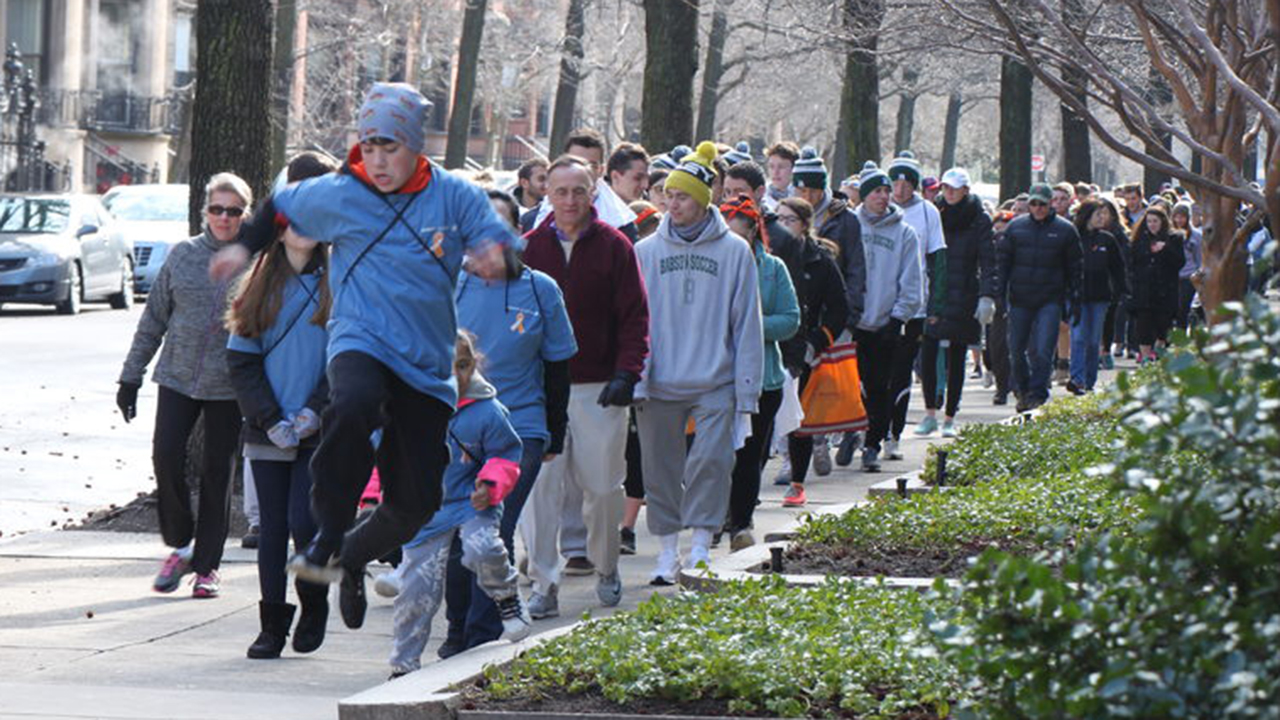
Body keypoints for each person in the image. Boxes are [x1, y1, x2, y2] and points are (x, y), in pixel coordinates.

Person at [208, 82, 516, 631]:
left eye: (389, 148)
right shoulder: (340, 192)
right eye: (368, 146)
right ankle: (327, 533)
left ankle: (342, 559)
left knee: (415, 504)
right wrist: (241, 246)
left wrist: (498, 257)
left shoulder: (454, 195)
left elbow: (500, 240)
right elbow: (279, 205)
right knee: (350, 403)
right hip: (360, 338)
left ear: (415, 145)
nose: (376, 160)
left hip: (425, 364)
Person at [520, 155, 649, 618]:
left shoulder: (616, 247)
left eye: (579, 191)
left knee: (602, 488)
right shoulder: (528, 249)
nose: (570, 200)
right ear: (546, 195)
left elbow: (635, 317)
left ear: (592, 194)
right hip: (540, 392)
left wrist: (627, 373)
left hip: (599, 389)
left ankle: (607, 567)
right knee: (541, 492)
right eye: (561, 191)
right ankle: (543, 582)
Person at [118, 171, 254, 599]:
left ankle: (208, 568)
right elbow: (154, 318)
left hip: (228, 385)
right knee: (166, 455)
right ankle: (181, 544)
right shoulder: (183, 255)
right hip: (176, 375)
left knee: (217, 473)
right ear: (205, 211)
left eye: (233, 211)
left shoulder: (258, 259)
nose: (224, 217)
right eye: (217, 209)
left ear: (245, 214)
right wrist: (131, 375)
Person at [633, 142, 763, 583]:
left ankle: (702, 546)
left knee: (711, 463)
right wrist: (636, 376)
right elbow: (636, 319)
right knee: (660, 469)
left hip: (715, 380)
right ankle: (667, 552)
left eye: (682, 196)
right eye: (668, 194)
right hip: (661, 380)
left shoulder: (735, 253)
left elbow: (747, 323)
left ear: (704, 200)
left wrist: (747, 390)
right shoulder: (646, 251)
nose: (672, 203)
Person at [441, 234, 576, 655]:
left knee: (492, 525)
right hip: (461, 428)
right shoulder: (449, 285)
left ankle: (478, 636)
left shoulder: (540, 288)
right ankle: (458, 627)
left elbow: (558, 366)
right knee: (459, 533)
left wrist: (554, 428)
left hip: (522, 428)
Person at [225, 153, 338, 658]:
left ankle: (313, 604)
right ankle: (271, 623)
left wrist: (316, 410)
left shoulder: (340, 283)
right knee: (270, 529)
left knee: (304, 522)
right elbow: (241, 362)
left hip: (319, 428)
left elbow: (346, 358)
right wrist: (269, 419)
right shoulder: (257, 284)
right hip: (268, 428)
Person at [389, 331, 531, 679]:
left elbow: (506, 454)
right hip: (427, 507)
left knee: (481, 548)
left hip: (473, 501)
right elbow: (385, 453)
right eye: (444, 369)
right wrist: (373, 496)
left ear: (474, 365)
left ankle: (506, 594)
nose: (456, 376)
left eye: (464, 366)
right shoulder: (406, 407)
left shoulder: (487, 410)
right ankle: (403, 665)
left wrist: (491, 483)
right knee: (415, 590)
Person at [721, 196, 799, 547]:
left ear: (753, 232)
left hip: (764, 377)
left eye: (738, 235)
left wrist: (751, 325)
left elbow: (790, 319)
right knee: (716, 452)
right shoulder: (715, 264)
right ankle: (714, 514)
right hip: (717, 374)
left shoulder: (773, 269)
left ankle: (741, 521)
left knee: (751, 453)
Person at [789, 148, 867, 471]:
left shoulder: (845, 220)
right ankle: (812, 442)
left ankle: (844, 430)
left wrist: (852, 312)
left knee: (834, 382)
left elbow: (856, 267)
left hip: (835, 309)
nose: (806, 194)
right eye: (801, 189)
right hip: (804, 310)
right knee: (805, 383)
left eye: (812, 189)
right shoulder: (788, 215)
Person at [775, 197, 848, 504]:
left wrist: (816, 342)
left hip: (801, 351)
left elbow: (840, 309)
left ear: (805, 225)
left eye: (789, 219)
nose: (781, 225)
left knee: (797, 418)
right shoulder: (767, 255)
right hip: (768, 346)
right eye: (777, 219)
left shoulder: (820, 261)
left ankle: (797, 481)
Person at [914, 167, 996, 438]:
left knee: (957, 354)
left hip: (964, 291)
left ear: (965, 190)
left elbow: (987, 259)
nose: (948, 193)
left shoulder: (979, 219)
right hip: (934, 289)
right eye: (945, 187)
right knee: (928, 350)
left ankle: (950, 416)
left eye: (954, 188)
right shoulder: (932, 213)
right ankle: (929, 413)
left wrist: (987, 295)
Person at [851, 162, 923, 471]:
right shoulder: (850, 226)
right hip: (854, 321)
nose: (883, 196)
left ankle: (872, 442)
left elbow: (912, 280)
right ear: (864, 196)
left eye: (886, 190)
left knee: (880, 386)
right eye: (876, 191)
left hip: (885, 323)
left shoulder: (905, 233)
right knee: (852, 385)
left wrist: (898, 318)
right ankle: (850, 431)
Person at [996, 183, 1083, 412]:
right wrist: (999, 295)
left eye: (1042, 204)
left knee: (1044, 350)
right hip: (1019, 298)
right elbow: (1003, 263)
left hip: (1049, 299)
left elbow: (1075, 268)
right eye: (1033, 204)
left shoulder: (1065, 230)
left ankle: (1038, 392)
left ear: (1050, 204)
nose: (1037, 208)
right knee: (1015, 349)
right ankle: (1023, 390)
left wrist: (1073, 300)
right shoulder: (1015, 228)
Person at [885, 151, 945, 459]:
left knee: (902, 370)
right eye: (895, 182)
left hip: (915, 306)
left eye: (907, 183)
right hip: (880, 304)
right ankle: (870, 429)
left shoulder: (927, 213)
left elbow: (937, 258)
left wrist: (935, 303)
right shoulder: (877, 211)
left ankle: (893, 433)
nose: (901, 189)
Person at [524, 128, 639, 241]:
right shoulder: (531, 220)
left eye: (591, 165)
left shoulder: (622, 225)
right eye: (575, 163)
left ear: (601, 170)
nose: (582, 171)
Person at [1068, 198, 1127, 393]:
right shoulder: (1073, 237)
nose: (1102, 218)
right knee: (1078, 338)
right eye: (1098, 214)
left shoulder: (1107, 239)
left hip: (1100, 297)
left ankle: (1089, 380)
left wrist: (1122, 291)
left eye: (1103, 214)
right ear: (1087, 216)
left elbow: (1118, 268)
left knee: (1093, 340)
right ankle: (1076, 379)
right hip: (1077, 296)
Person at [1127, 206, 1185, 363]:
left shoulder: (1174, 238)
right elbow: (1131, 263)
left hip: (1165, 291)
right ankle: (1145, 358)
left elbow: (1180, 262)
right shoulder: (1138, 240)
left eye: (1155, 221)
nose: (1152, 225)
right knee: (1143, 326)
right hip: (1143, 290)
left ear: (1163, 222)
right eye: (1149, 221)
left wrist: (1165, 249)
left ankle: (1160, 352)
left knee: (1163, 326)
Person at [985, 210, 1015, 405]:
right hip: (998, 299)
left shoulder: (1022, 242)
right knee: (997, 345)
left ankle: (1020, 385)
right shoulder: (989, 244)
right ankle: (1002, 387)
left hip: (1023, 297)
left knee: (1021, 346)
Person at [1171, 202, 1202, 330]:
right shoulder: (1170, 234)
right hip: (1172, 277)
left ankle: (1182, 337)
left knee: (1183, 309)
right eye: (1176, 217)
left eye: (1182, 217)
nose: (1179, 220)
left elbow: (1199, 258)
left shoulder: (1196, 236)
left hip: (1188, 277)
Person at [763, 141, 800, 210]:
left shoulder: (802, 198)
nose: (775, 172)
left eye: (781, 167)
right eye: (771, 166)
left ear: (794, 169)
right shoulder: (761, 197)